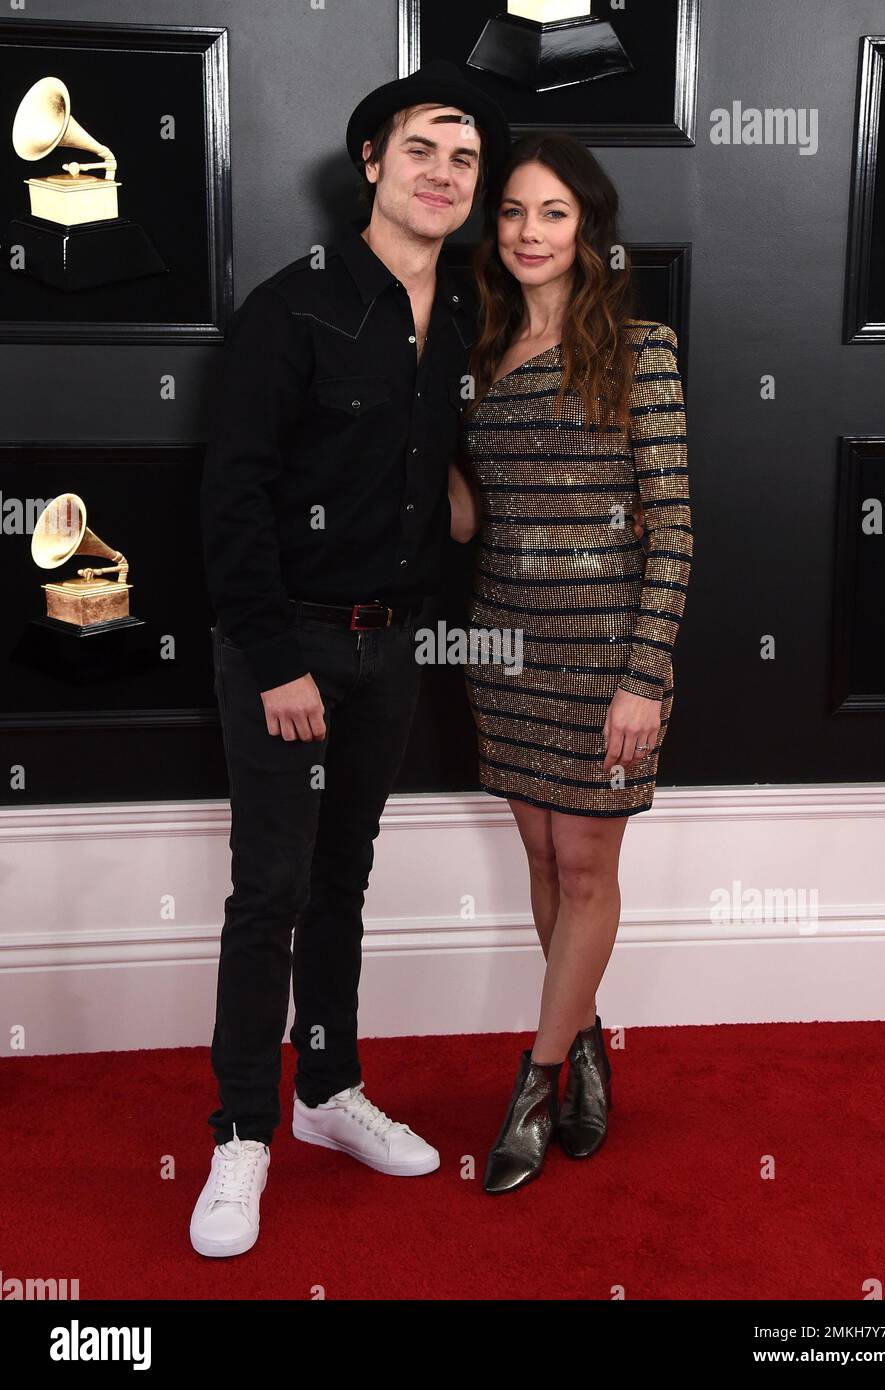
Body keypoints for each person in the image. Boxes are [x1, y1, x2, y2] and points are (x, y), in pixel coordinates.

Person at [190, 60, 511, 1257]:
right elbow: (232, 495)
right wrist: (275, 660)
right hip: (289, 646)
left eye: (465, 158)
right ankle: (237, 1134)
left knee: (343, 880)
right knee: (266, 890)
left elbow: (435, 470)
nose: (443, 173)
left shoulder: (467, 319)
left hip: (395, 647)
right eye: (422, 147)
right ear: (372, 162)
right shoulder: (295, 305)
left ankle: (326, 1094)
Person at [448, 131, 693, 1194]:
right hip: (506, 651)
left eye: (551, 213)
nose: (527, 232)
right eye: (510, 211)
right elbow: (468, 520)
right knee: (544, 868)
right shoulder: (473, 353)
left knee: (587, 871)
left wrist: (645, 674)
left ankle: (535, 1081)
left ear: (589, 233)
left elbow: (673, 527)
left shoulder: (640, 350)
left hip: (605, 657)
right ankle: (587, 1047)